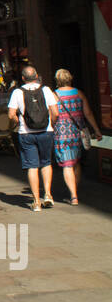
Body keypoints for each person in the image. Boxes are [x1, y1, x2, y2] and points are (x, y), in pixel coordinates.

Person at [8, 66, 58, 210]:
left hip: (26, 133)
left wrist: (18, 123)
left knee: (32, 166)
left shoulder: (17, 92)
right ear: (36, 76)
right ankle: (47, 195)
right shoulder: (46, 90)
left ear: (23, 78)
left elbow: (11, 115)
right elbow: (55, 112)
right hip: (45, 131)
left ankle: (36, 201)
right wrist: (51, 124)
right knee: (46, 163)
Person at [52, 68, 101, 205]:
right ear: (70, 78)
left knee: (67, 164)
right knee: (76, 162)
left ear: (57, 80)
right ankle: (75, 189)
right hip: (77, 133)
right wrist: (96, 130)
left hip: (61, 134)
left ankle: (73, 195)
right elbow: (88, 113)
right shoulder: (79, 93)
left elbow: (54, 114)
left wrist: (51, 127)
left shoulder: (54, 95)